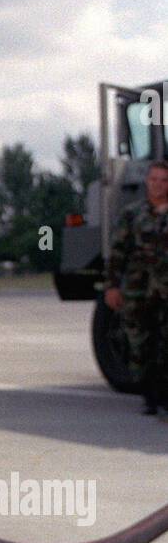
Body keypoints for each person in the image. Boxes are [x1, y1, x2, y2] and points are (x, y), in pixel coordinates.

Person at [104, 160, 168, 416]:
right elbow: (118, 252)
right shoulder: (132, 214)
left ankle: (164, 395)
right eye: (154, 180)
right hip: (138, 290)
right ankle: (149, 395)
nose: (158, 185)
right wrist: (112, 286)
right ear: (147, 182)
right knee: (141, 343)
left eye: (164, 181)